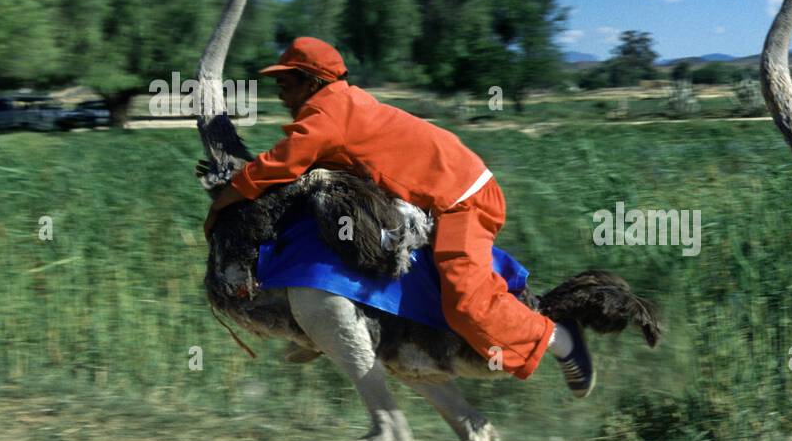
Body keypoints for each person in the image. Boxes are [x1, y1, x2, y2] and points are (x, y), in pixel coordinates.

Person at [204, 37, 596, 395]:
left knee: (466, 301)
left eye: (286, 83)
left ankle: (560, 339)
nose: (282, 93)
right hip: (445, 195)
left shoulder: (329, 115)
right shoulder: (342, 105)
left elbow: (279, 165)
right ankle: (322, 326)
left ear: (310, 81)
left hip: (464, 201)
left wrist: (222, 204)